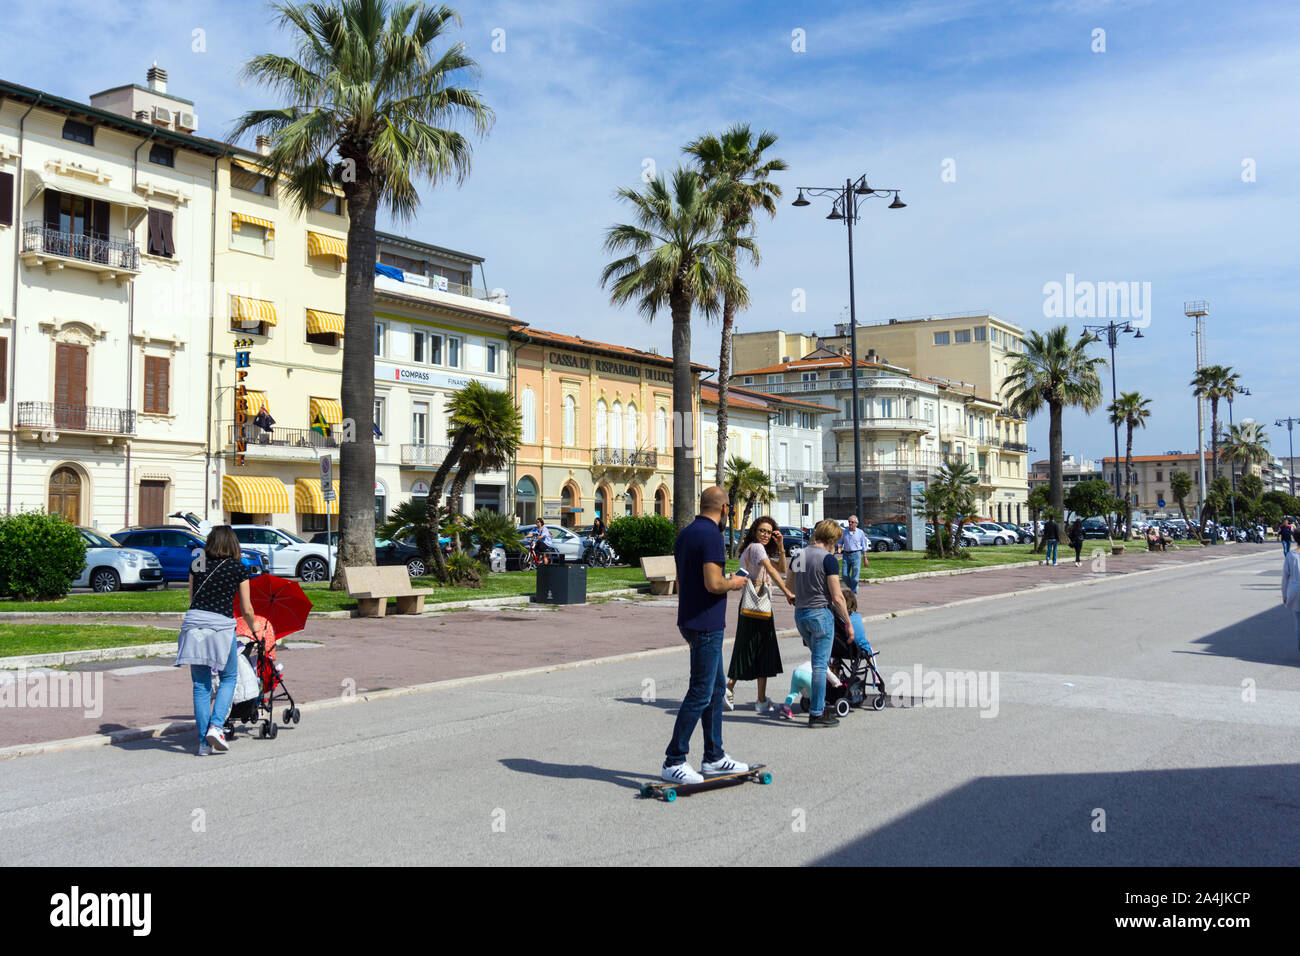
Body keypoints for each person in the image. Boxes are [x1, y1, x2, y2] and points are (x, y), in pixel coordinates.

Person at [660, 487, 750, 785]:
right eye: (730, 510)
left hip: (691, 617)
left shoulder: (686, 534)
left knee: (715, 690)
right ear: (725, 508)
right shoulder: (711, 536)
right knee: (701, 692)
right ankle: (674, 760)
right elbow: (713, 584)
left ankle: (714, 757)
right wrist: (735, 582)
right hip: (706, 623)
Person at [174, 525, 262, 756]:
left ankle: (204, 743)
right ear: (233, 544)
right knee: (229, 677)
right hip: (221, 627)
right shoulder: (238, 569)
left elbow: (193, 598)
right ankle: (216, 727)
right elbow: (246, 608)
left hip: (194, 625)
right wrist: (254, 629)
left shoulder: (197, 564)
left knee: (201, 685)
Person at [726, 516, 796, 714]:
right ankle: (730, 688)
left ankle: (761, 698)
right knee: (749, 648)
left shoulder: (757, 551)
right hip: (756, 606)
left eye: (769, 532)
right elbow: (774, 573)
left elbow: (782, 568)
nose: (765, 535)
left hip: (757, 607)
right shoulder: (756, 548)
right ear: (755, 532)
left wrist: (781, 546)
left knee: (759, 649)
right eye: (762, 531)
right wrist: (787, 592)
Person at [788, 518, 851, 728]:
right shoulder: (828, 559)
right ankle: (817, 712)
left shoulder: (798, 554)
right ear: (832, 539)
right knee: (819, 666)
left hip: (801, 615)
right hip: (820, 615)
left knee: (817, 659)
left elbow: (790, 585)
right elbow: (837, 597)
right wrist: (848, 623)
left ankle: (816, 702)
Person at [778, 660, 844, 719]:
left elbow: (805, 694)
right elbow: (830, 675)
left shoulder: (810, 661)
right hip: (808, 674)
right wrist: (838, 683)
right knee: (814, 695)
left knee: (793, 693)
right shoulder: (822, 664)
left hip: (796, 672)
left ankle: (786, 708)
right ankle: (818, 713)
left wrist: (806, 696)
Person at [837, 515, 868, 595]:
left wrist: (865, 558)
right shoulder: (844, 532)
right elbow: (840, 542)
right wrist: (839, 548)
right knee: (844, 575)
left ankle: (854, 593)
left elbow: (864, 546)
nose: (850, 523)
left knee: (855, 578)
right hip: (846, 555)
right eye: (849, 522)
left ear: (856, 523)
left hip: (856, 554)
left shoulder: (860, 532)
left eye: (852, 522)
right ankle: (853, 587)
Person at [1283, 546, 1300, 653]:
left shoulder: (1290, 555)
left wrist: (1284, 595)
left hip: (1294, 590)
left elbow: (1285, 577)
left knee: (1298, 621)